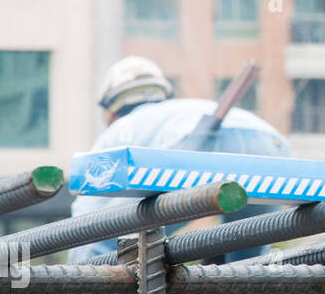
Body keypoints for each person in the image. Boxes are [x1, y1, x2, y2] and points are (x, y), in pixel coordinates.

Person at [69, 57, 290, 263]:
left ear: (111, 113)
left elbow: (87, 217)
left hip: (201, 145)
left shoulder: (122, 128)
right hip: (272, 147)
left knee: (107, 234)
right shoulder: (180, 112)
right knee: (246, 255)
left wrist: (75, 276)